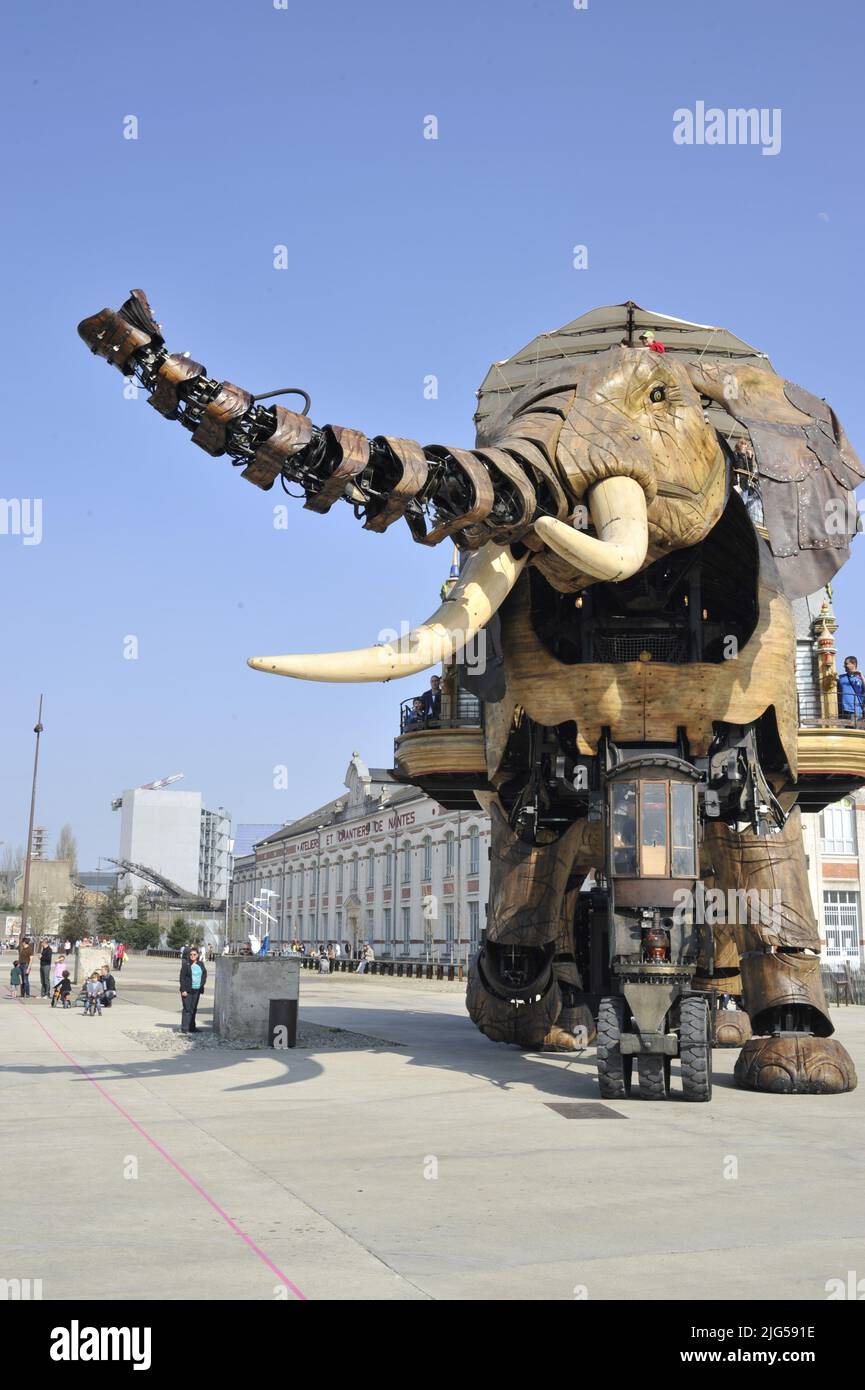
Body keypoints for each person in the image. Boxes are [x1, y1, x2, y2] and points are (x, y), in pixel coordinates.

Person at [179, 946, 207, 1033]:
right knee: (187, 1009)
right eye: (191, 954)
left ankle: (192, 1027)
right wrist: (183, 990)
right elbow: (182, 977)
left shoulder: (201, 964)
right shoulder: (186, 964)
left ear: (197, 955)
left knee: (193, 1009)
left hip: (197, 990)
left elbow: (204, 974)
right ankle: (185, 1028)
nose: (192, 956)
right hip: (187, 990)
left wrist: (201, 984)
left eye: (194, 954)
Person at [838, 656, 865, 723]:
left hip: (856, 710)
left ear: (854, 664)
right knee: (844, 732)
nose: (844, 666)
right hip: (843, 710)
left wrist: (862, 677)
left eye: (846, 663)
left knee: (855, 731)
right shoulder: (840, 678)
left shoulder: (861, 678)